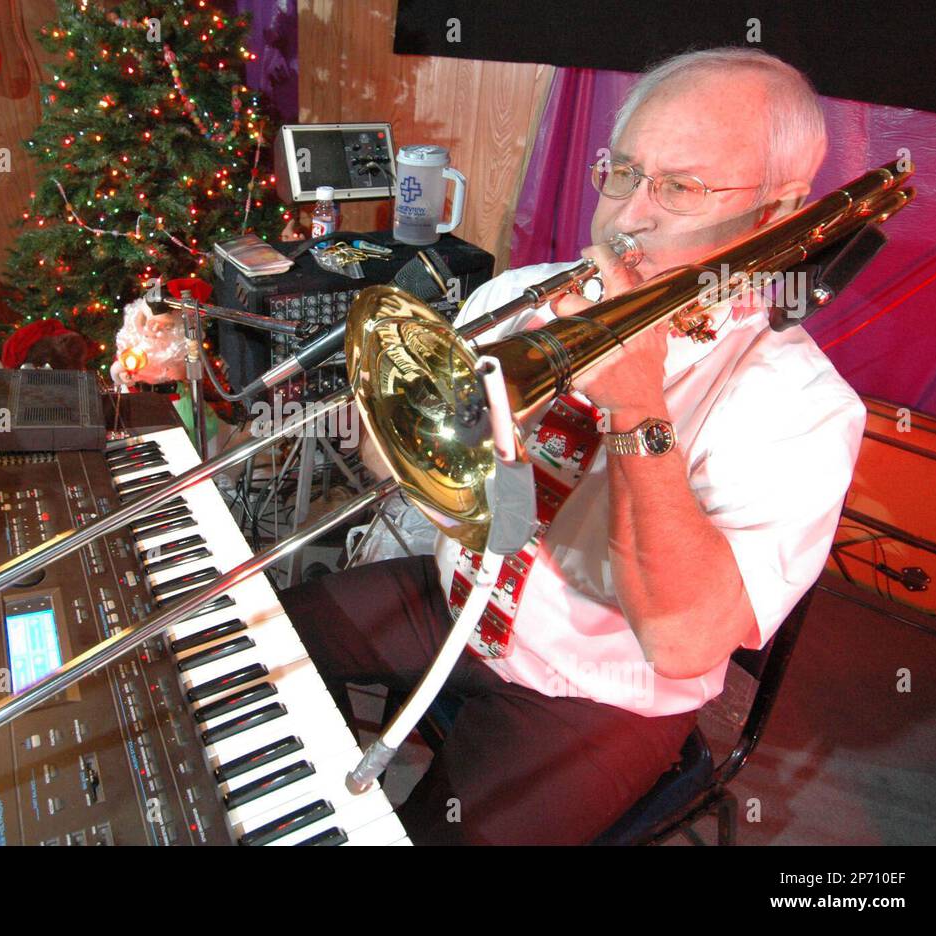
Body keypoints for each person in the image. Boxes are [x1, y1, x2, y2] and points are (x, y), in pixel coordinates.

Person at [278, 47, 867, 845]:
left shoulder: (804, 406)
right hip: (462, 599)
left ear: (776, 213)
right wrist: (434, 437)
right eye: (622, 172)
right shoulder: (522, 296)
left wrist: (637, 413)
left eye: (681, 187)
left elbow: (685, 640)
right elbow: (400, 462)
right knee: (257, 645)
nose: (628, 217)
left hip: (600, 693)